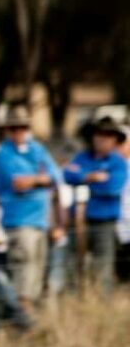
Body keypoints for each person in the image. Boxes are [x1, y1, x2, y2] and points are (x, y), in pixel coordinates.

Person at [0, 106, 60, 313]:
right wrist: (41, 179)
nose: (19, 132)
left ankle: (31, 320)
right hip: (19, 222)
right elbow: (19, 183)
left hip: (40, 221)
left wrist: (36, 180)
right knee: (24, 274)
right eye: (14, 128)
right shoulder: (3, 154)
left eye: (23, 127)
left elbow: (55, 176)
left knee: (38, 274)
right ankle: (21, 320)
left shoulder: (37, 149)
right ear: (7, 130)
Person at [65, 117, 126, 293]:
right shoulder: (82, 157)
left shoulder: (118, 162)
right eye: (99, 134)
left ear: (115, 140)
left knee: (102, 266)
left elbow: (113, 187)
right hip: (78, 220)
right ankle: (74, 299)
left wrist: (84, 182)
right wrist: (91, 177)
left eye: (108, 135)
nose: (102, 138)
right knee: (74, 264)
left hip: (104, 222)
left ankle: (100, 300)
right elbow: (68, 173)